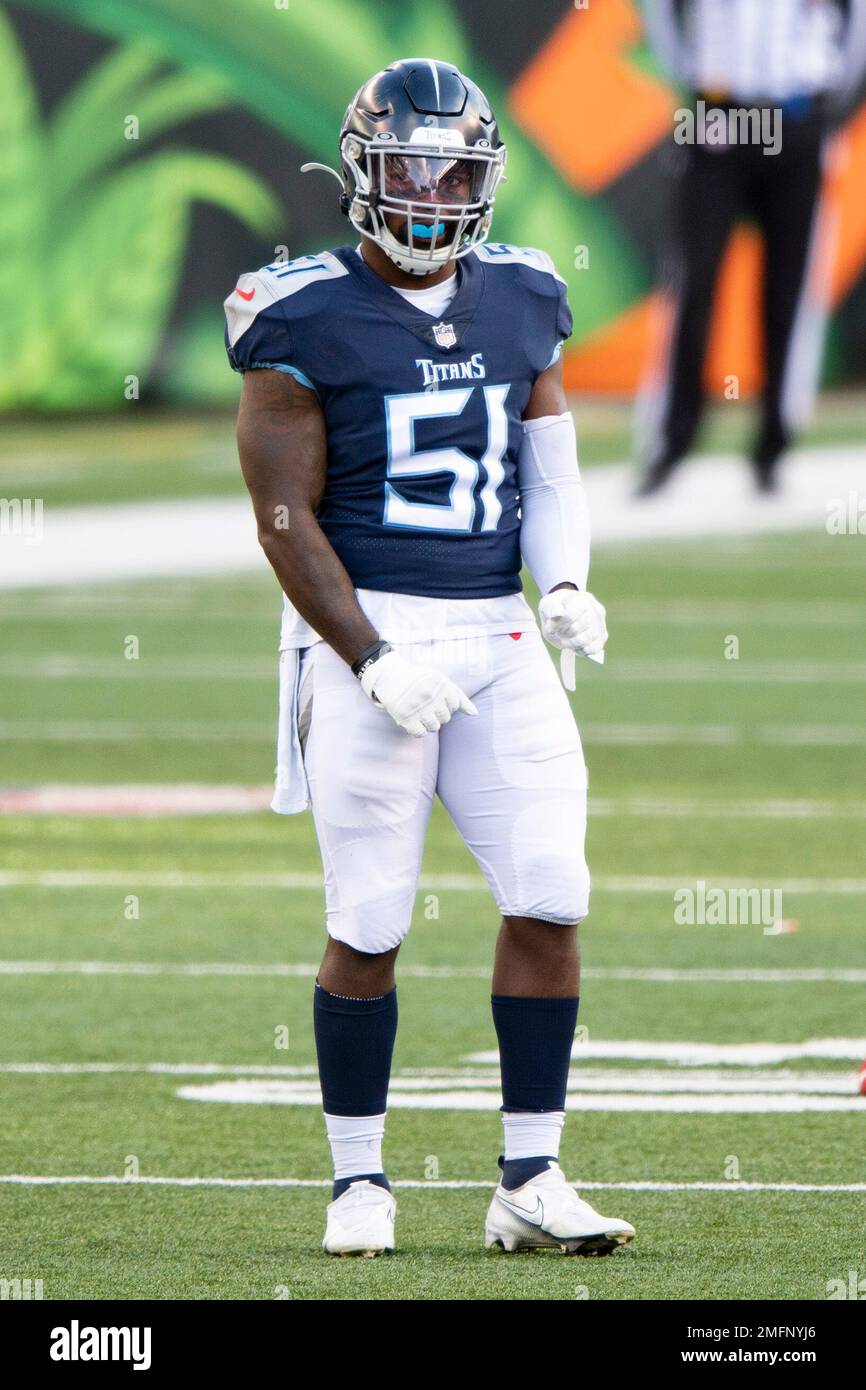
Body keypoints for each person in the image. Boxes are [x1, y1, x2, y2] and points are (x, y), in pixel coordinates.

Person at [225, 57, 634, 1258]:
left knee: (552, 891)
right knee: (370, 918)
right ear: (359, 169)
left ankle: (531, 1173)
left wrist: (560, 583)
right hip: (368, 631)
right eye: (407, 163)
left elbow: (548, 470)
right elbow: (285, 519)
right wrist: (363, 656)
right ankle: (358, 1180)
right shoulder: (293, 310)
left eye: (452, 165)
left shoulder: (523, 292)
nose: (431, 187)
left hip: (500, 638)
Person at [639, 0, 866, 494]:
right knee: (693, 282)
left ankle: (772, 444)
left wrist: (822, 96)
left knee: (786, 289)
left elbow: (855, 29)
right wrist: (695, 82)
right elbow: (661, 13)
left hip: (796, 114)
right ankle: (673, 438)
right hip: (718, 116)